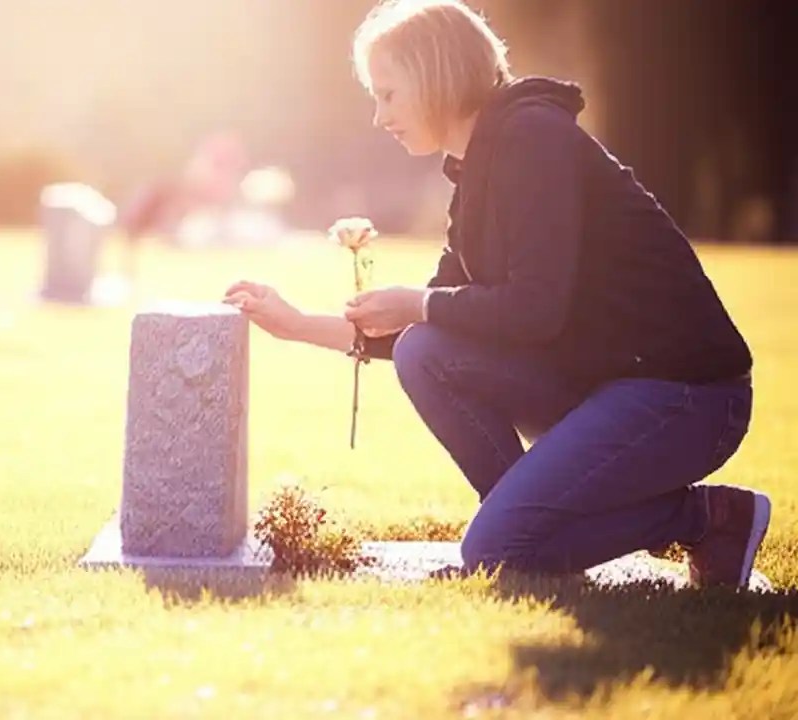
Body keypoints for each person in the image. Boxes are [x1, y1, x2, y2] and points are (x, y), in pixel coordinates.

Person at [223, 0, 768, 588]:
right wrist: (298, 323)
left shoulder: (533, 139)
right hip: (605, 385)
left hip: (686, 399)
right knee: (425, 352)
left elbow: (534, 306)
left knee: (497, 547)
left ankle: (709, 516)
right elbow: (424, 326)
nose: (380, 117)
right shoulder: (477, 169)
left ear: (434, 76)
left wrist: (419, 303)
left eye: (388, 94)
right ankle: (524, 525)